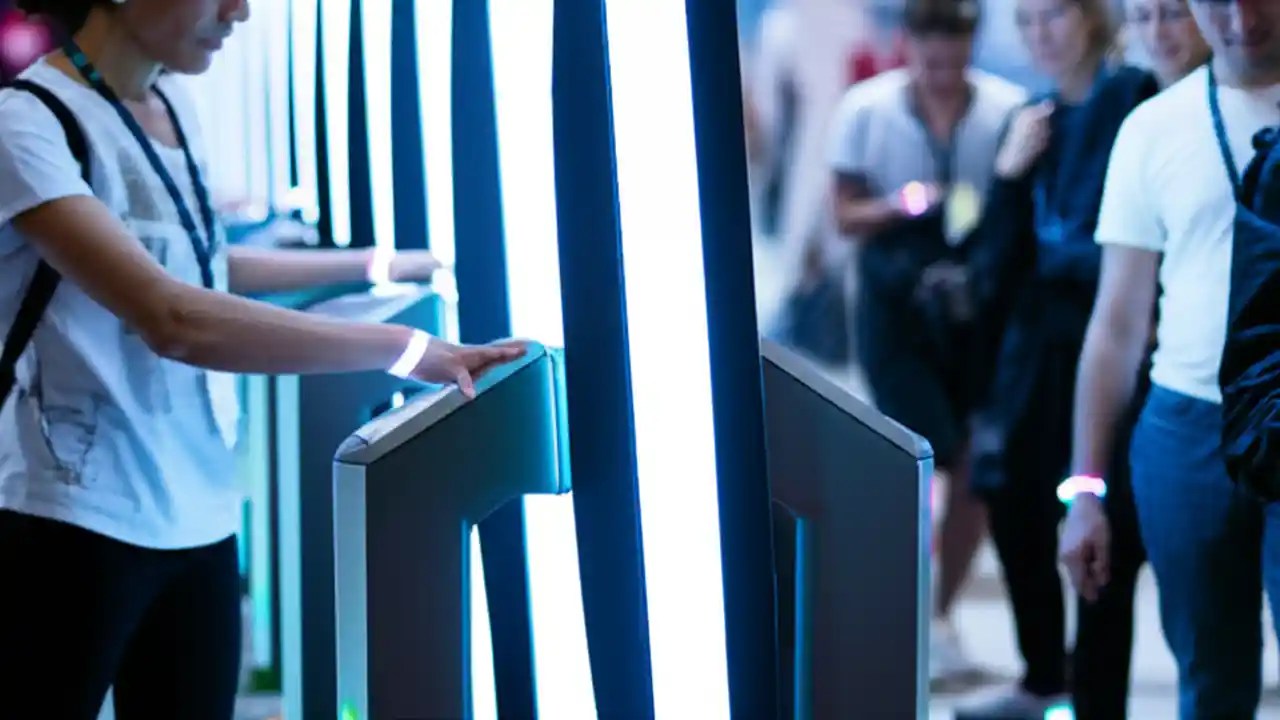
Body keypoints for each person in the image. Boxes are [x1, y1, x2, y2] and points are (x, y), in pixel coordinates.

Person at [0, 1, 525, 719]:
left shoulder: (171, 102)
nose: (238, 11)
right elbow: (173, 316)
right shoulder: (25, 123)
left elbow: (200, 261)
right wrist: (406, 348)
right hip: (73, 520)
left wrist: (379, 265)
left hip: (202, 513)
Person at [1059, 0, 1280, 715]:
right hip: (1186, 428)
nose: (1241, 18)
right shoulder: (1154, 128)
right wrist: (1085, 491)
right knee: (1210, 678)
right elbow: (1116, 327)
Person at [955, 0, 1160, 716]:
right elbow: (994, 265)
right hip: (1034, 347)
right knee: (1013, 505)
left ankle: (1096, 696)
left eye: (1055, 17)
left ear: (1094, 18)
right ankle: (1045, 675)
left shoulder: (1132, 98)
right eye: (1028, 22)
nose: (1042, 35)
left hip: (1109, 337)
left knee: (1102, 525)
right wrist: (1010, 180)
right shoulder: (1032, 118)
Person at [827, 0, 1025, 689]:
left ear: (973, 45)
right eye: (929, 60)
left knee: (975, 462)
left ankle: (938, 617)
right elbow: (842, 214)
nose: (942, 75)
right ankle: (904, 614)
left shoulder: (1004, 108)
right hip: (896, 308)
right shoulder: (867, 109)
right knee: (915, 457)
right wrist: (901, 204)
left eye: (955, 59)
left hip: (974, 304)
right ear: (906, 45)